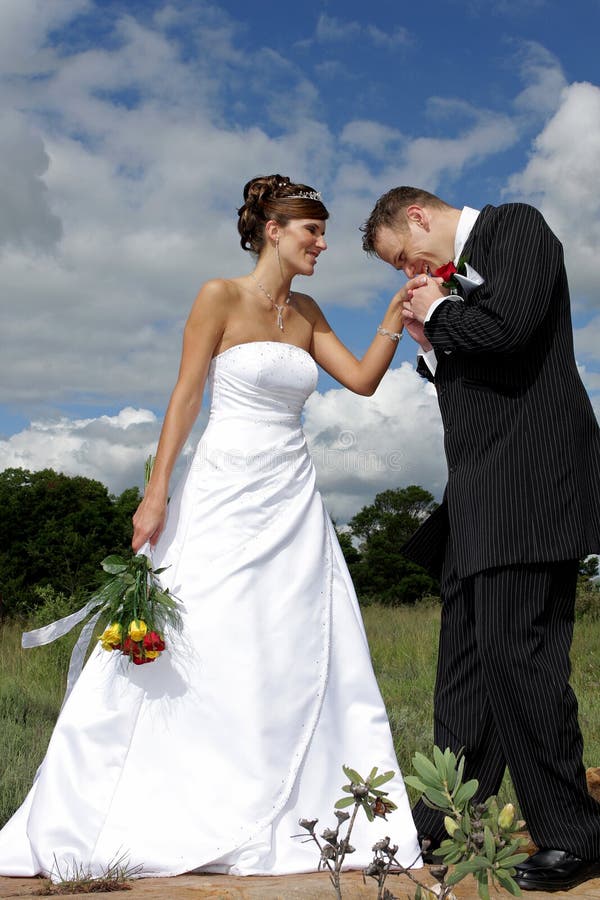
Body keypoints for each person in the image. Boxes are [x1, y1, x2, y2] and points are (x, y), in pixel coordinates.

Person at [0, 175, 421, 881]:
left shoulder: (309, 310)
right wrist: (156, 491)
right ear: (272, 230)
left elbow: (362, 381)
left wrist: (394, 315)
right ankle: (171, 796)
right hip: (224, 488)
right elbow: (187, 393)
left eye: (322, 231)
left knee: (287, 638)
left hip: (292, 495)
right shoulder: (218, 297)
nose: (322, 243)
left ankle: (291, 804)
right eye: (311, 230)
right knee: (205, 630)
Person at [361, 186, 600, 892]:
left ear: (419, 217)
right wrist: (431, 345)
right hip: (475, 496)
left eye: (404, 257)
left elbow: (511, 329)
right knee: (466, 670)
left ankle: (574, 833)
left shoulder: (514, 228)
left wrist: (438, 309)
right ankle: (439, 819)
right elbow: (477, 376)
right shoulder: (450, 290)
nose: (408, 274)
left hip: (531, 488)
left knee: (520, 660)